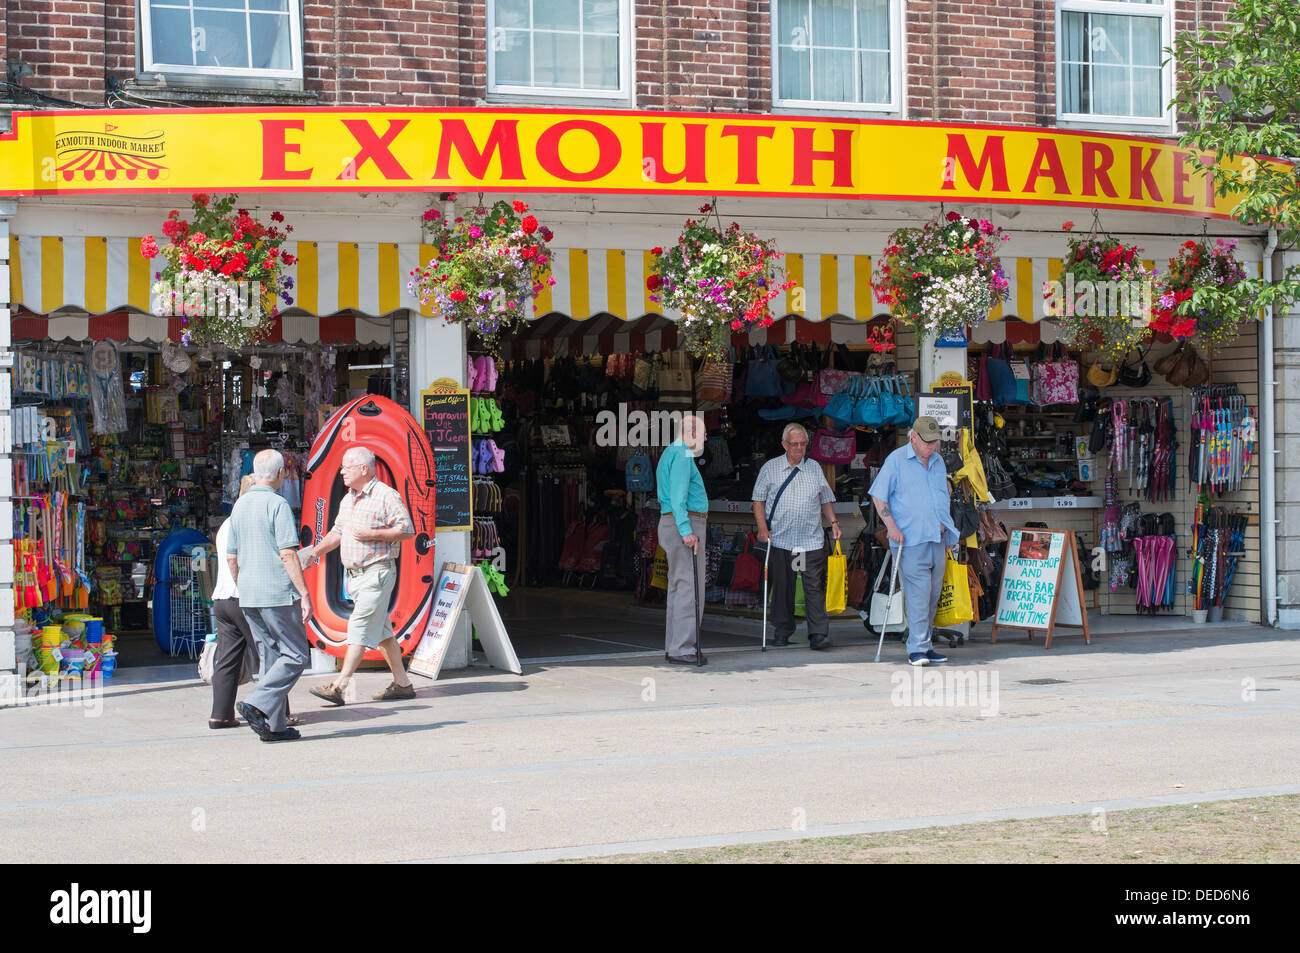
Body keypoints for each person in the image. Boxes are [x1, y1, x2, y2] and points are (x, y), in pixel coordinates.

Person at [304, 446, 417, 703]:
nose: (342, 471)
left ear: (363, 469)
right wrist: (313, 553)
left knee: (359, 626)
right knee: (382, 633)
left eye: (347, 467)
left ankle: (339, 686)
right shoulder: (347, 499)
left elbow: (407, 530)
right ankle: (403, 684)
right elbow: (337, 532)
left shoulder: (386, 496)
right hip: (355, 577)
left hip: (376, 573)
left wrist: (373, 534)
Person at [227, 449, 313, 742]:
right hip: (277, 593)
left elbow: (231, 557)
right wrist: (304, 593)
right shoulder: (278, 505)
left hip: (249, 594)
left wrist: (244, 585)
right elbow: (288, 553)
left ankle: (275, 727)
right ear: (280, 474)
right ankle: (257, 702)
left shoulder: (239, 506)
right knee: (297, 654)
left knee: (270, 656)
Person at [208, 475, 299, 730]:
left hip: (221, 596)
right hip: (245, 596)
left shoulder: (227, 523)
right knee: (271, 654)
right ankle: (276, 713)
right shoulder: (253, 519)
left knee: (227, 658)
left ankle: (220, 714)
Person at [868, 416, 960, 667]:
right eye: (927, 441)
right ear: (914, 437)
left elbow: (941, 496)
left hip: (937, 537)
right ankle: (917, 649)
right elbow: (879, 496)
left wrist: (947, 528)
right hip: (910, 540)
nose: (932, 446)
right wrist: (891, 527)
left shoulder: (939, 462)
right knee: (918, 595)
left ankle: (926, 645)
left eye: (935, 442)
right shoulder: (897, 461)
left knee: (932, 596)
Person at [752, 423, 841, 650]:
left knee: (812, 586)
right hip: (782, 541)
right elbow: (758, 501)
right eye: (794, 444)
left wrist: (834, 523)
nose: (799, 448)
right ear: (784, 445)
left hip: (808, 542)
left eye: (803, 444)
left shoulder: (814, 468)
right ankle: (782, 632)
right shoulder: (770, 468)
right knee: (784, 586)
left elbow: (825, 498)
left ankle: (818, 635)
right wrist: (762, 529)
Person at [655, 413, 709, 665]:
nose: (707, 437)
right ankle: (684, 647)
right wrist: (687, 530)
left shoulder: (670, 452)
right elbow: (678, 497)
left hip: (673, 522)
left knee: (679, 586)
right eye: (704, 433)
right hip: (683, 523)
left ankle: (675, 645)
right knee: (688, 586)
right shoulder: (683, 454)